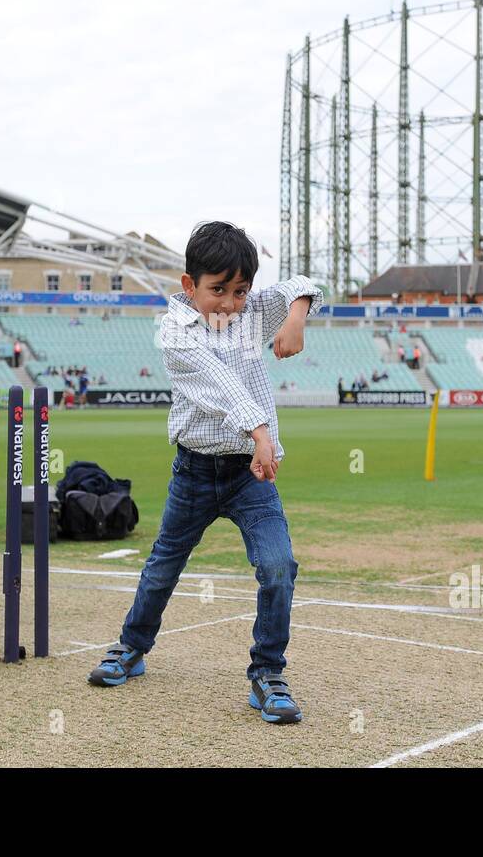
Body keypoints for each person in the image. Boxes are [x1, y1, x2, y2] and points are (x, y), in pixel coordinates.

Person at [87, 221, 322, 725]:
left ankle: (267, 673)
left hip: (248, 477)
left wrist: (296, 318)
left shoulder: (251, 312)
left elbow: (302, 283)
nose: (232, 303)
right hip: (195, 473)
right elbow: (221, 389)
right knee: (163, 566)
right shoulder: (175, 332)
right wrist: (261, 431)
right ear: (188, 285)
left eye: (241, 291)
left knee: (279, 566)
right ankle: (132, 647)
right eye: (218, 290)